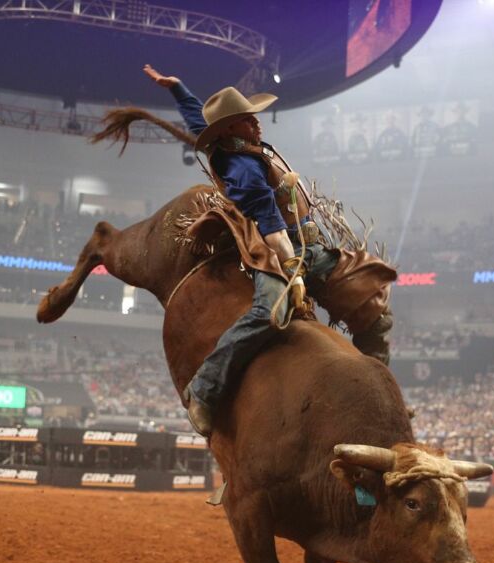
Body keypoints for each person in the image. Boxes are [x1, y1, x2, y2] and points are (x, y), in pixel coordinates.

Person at [144, 64, 392, 436]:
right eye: (247, 120)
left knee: (372, 297)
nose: (256, 123)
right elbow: (272, 228)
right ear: (230, 130)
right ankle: (205, 388)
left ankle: (376, 391)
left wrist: (177, 87)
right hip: (272, 249)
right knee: (270, 311)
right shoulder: (244, 170)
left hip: (302, 244)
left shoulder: (230, 142)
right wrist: (293, 271)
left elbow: (198, 118)